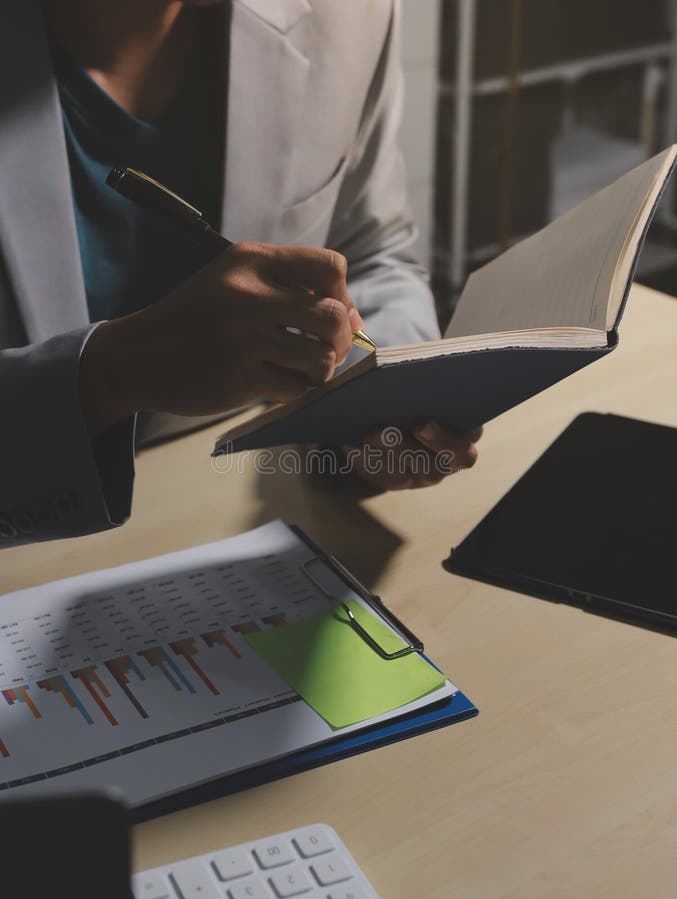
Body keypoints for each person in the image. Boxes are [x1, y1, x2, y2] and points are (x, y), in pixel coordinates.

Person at [0, 0, 481, 547]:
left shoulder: (351, 14)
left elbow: (370, 253)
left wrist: (376, 412)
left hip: (239, 516)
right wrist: (112, 373)